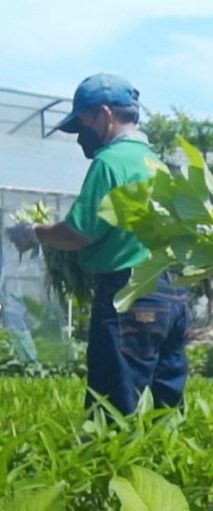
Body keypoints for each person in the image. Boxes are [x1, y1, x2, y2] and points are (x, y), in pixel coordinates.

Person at [5, 73, 190, 413]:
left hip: (128, 294)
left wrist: (34, 232)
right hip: (171, 294)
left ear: (104, 114)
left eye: (82, 123)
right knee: (165, 405)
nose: (80, 136)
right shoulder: (156, 163)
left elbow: (79, 233)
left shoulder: (110, 161)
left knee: (113, 406)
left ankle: (113, 450)